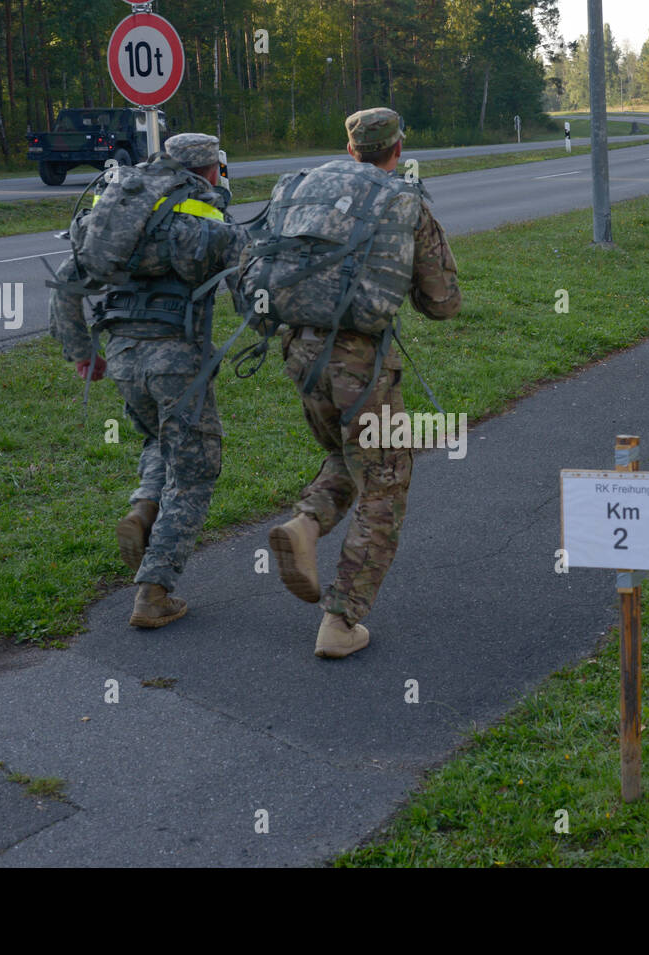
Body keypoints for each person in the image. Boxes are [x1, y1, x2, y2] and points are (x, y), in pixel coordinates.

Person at [268, 108, 461, 659]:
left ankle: (306, 525)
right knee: (384, 485)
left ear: (351, 148)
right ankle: (341, 620)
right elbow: (443, 303)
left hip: (299, 353)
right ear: (397, 148)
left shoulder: (309, 188)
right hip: (360, 365)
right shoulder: (403, 201)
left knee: (350, 457)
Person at [48, 133, 243, 628]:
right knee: (196, 470)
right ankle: (153, 592)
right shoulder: (208, 213)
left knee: (160, 439)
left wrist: (81, 353)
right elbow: (250, 287)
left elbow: (67, 283)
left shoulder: (123, 212)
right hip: (177, 358)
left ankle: (144, 508)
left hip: (123, 356)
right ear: (210, 171)